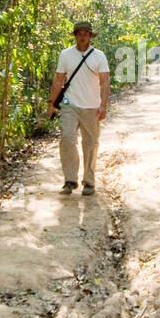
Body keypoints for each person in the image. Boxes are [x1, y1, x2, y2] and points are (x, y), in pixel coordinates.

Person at [48, 20, 110, 195]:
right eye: (79, 33)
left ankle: (89, 181)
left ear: (90, 36)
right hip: (69, 104)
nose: (82, 36)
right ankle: (70, 180)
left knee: (90, 144)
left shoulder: (99, 56)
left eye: (86, 33)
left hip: (91, 106)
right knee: (67, 138)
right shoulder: (65, 55)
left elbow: (105, 81)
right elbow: (59, 79)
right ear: (75, 36)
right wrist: (51, 103)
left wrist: (103, 106)